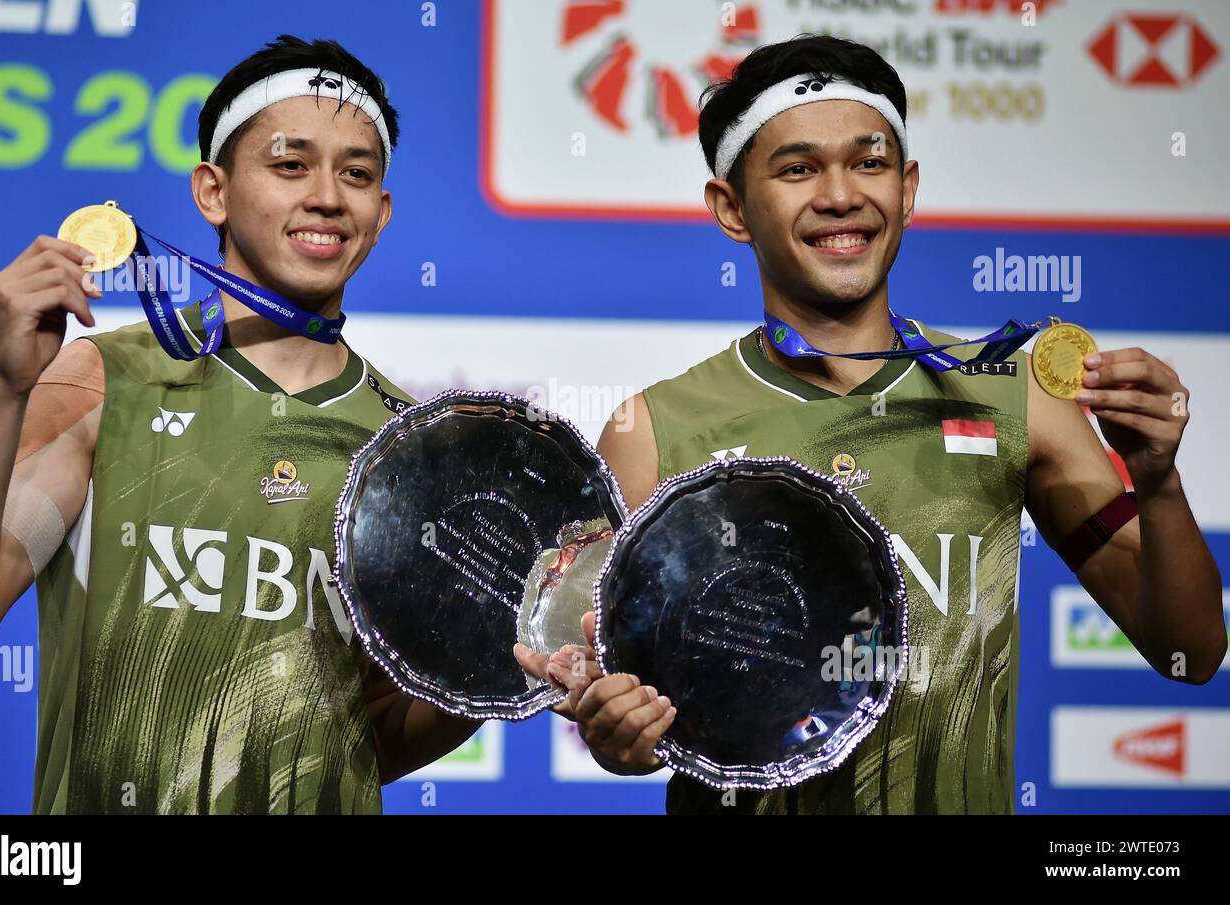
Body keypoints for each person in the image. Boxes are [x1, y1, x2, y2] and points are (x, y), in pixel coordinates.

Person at [520, 34, 1224, 814]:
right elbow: (630, 729)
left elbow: (1189, 653)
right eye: (797, 169)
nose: (841, 195)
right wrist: (619, 738)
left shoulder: (1017, 396)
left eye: (869, 161)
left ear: (908, 187)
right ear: (731, 208)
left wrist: (1157, 483)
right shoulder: (653, 428)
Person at [0, 35, 479, 814]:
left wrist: (489, 669)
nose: (327, 195)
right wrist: (4, 385)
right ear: (213, 191)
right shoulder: (104, 380)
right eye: (290, 165)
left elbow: (373, 738)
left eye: (355, 173)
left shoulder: (407, 448)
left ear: (380, 212)